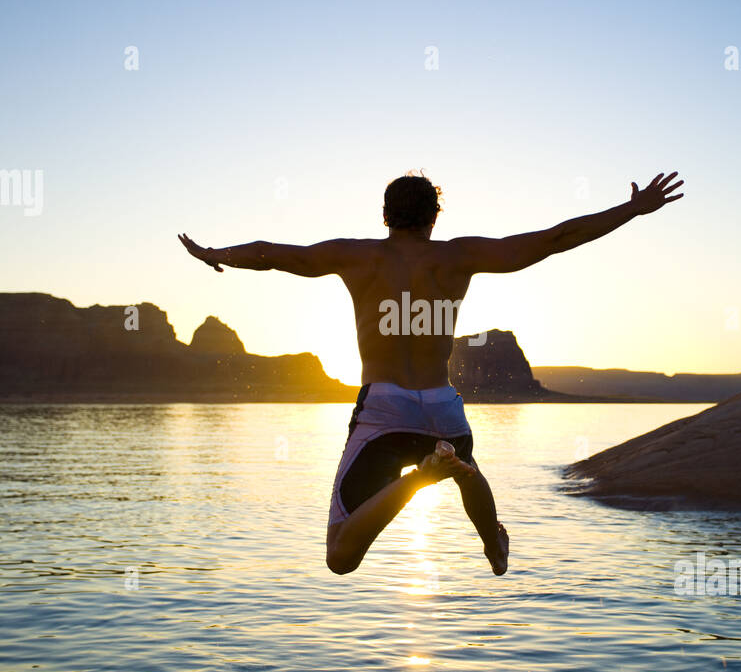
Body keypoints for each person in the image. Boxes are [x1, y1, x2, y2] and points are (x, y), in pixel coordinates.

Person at [179, 169, 683, 575]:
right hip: (442, 406)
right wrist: (632, 210)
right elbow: (554, 238)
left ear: (384, 215)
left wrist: (215, 255)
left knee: (340, 557)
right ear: (434, 218)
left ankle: (420, 478)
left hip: (383, 409)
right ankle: (493, 543)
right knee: (468, 469)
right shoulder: (458, 256)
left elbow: (277, 256)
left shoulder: (357, 256)